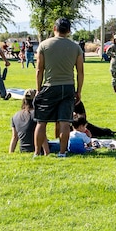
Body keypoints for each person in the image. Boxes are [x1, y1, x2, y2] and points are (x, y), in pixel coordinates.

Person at [34, 17, 85, 157]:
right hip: (68, 87)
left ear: (54, 29)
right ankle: (62, 153)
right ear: (68, 30)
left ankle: (37, 152)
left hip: (50, 86)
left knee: (41, 121)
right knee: (64, 122)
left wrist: (38, 89)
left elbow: (39, 70)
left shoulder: (44, 45)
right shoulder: (76, 47)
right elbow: (80, 71)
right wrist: (78, 91)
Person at [9, 89, 37, 153]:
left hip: (23, 148)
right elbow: (42, 136)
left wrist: (10, 152)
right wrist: (47, 151)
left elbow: (14, 137)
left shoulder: (15, 115)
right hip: (37, 147)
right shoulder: (36, 114)